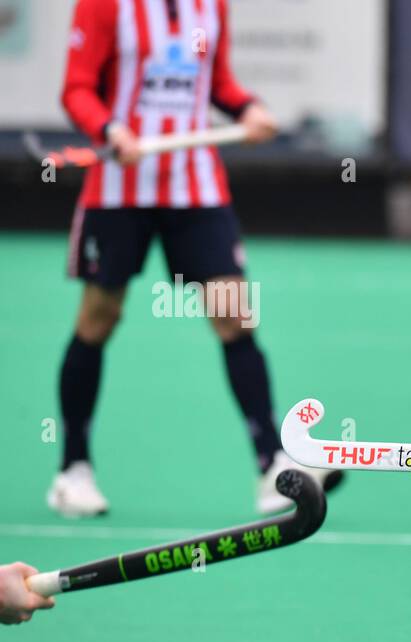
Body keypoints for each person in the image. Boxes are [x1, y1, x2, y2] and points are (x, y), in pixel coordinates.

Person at [50, 0, 338, 518]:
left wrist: (247, 107)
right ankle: (73, 470)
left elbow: (217, 82)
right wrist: (111, 128)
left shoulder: (212, 5)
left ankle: (272, 464)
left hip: (196, 187)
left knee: (234, 313)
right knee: (99, 318)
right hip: (120, 188)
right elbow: (76, 88)